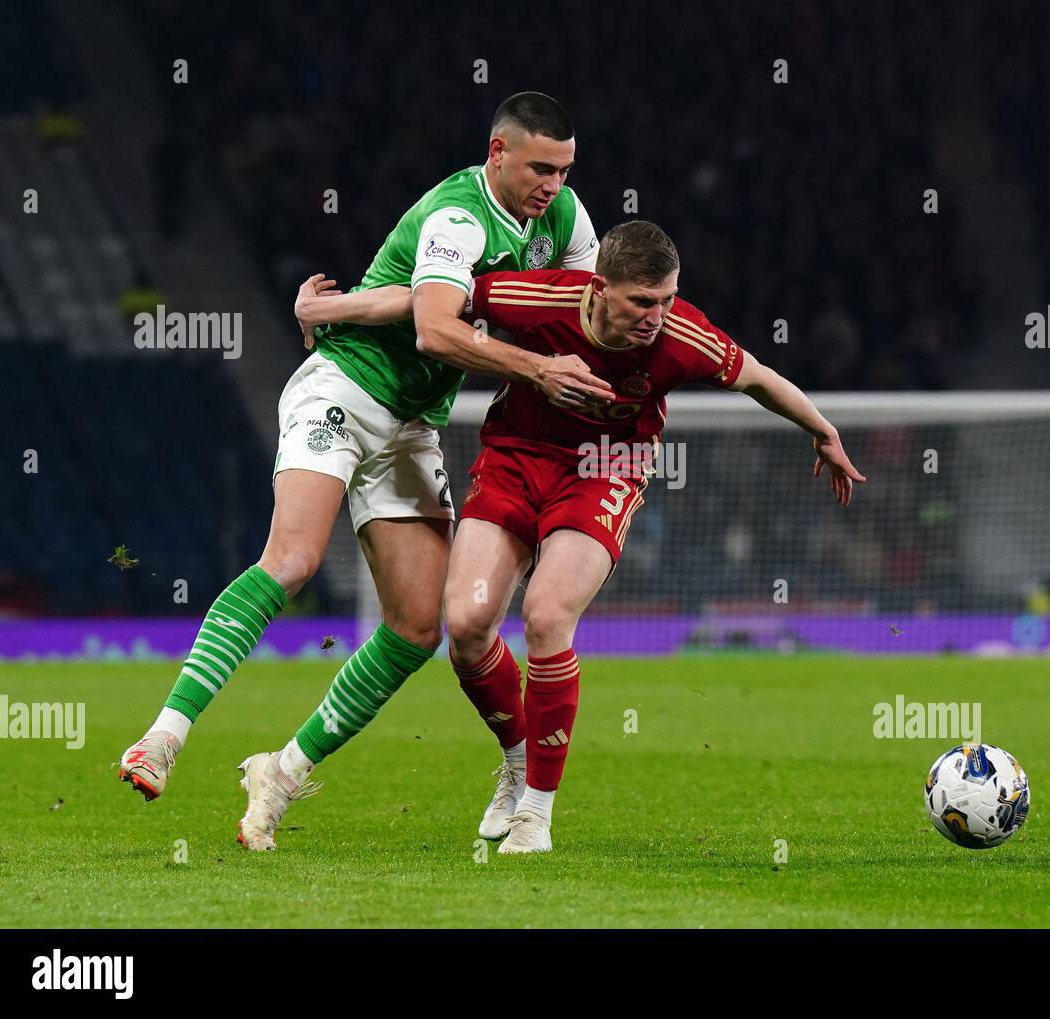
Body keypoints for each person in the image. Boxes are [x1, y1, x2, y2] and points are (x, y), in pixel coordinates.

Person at [118, 92, 614, 853]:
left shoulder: (567, 221)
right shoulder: (457, 217)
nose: (554, 184)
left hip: (413, 425)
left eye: (565, 169)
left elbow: (555, 312)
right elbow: (435, 326)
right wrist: (541, 370)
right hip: (344, 391)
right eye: (540, 167)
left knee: (419, 627)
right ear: (498, 155)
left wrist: (338, 304)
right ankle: (164, 735)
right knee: (292, 560)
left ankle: (280, 771)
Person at [433, 220, 866, 853]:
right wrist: (333, 309)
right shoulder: (539, 296)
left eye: (666, 298)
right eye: (642, 301)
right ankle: (519, 760)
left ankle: (537, 813)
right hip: (514, 460)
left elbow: (759, 378)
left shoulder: (683, 335)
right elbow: (432, 298)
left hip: (605, 469)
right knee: (467, 626)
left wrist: (822, 431)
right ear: (600, 287)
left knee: (547, 616)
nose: (657, 316)